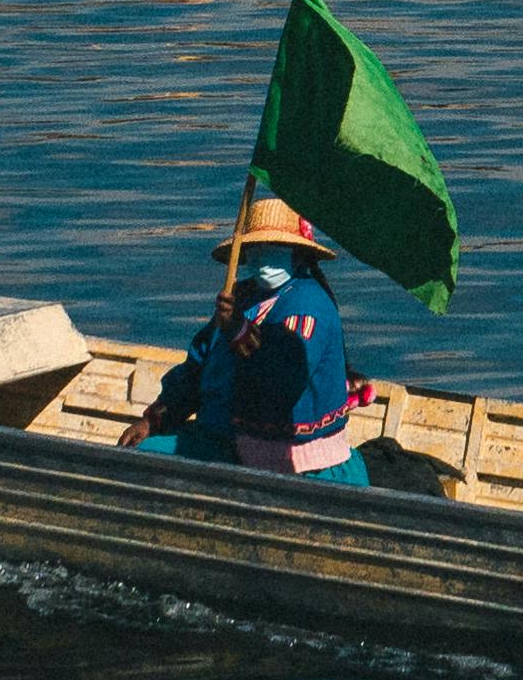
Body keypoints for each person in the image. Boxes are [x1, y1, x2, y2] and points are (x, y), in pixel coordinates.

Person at [137, 196, 377, 482]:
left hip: (292, 461)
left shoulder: (308, 307)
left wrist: (239, 331)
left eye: (273, 248)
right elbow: (198, 367)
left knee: (152, 462)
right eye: (254, 248)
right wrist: (156, 419)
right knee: (141, 451)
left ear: (297, 254)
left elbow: (283, 381)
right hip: (224, 440)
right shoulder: (243, 296)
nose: (262, 256)